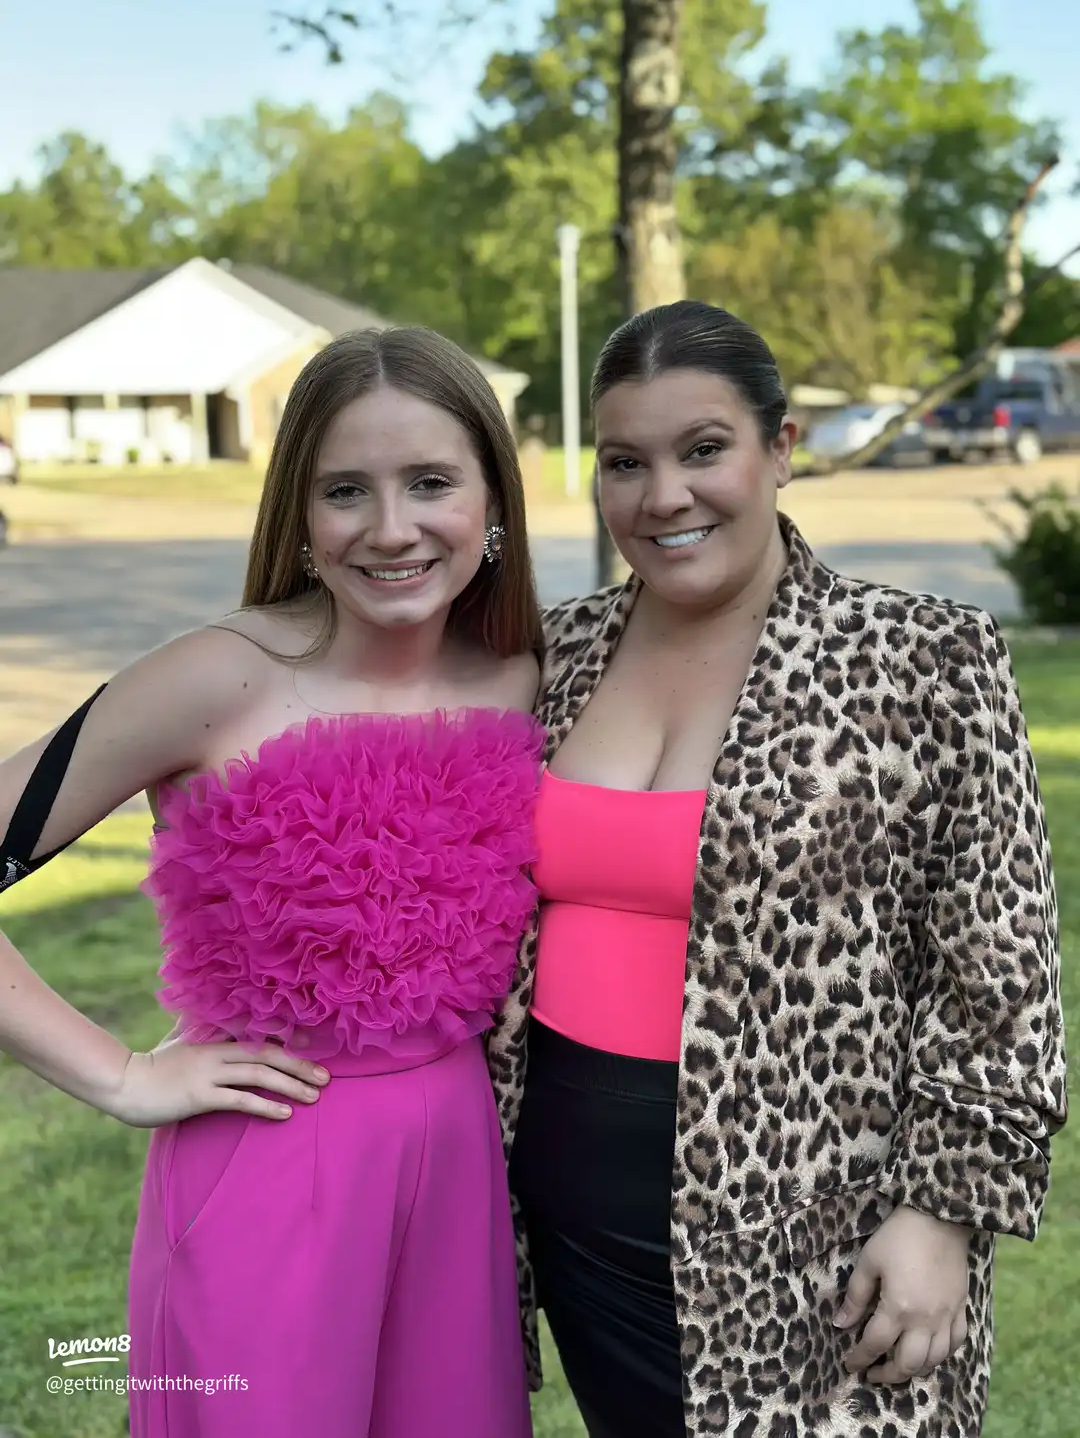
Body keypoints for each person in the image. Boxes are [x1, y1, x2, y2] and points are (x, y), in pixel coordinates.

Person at [487, 300, 1068, 1438]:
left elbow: (1002, 972)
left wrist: (942, 1212)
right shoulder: (551, 658)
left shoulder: (924, 657)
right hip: (575, 1217)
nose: (665, 496)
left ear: (781, 448)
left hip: (822, 1236)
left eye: (704, 449)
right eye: (625, 462)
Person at [0, 327, 545, 1438]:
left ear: (493, 497)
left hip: (458, 1178)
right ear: (298, 511)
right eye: (347, 489)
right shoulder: (215, 676)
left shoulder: (528, 674)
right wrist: (117, 1075)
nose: (392, 529)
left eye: (431, 483)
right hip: (264, 1159)